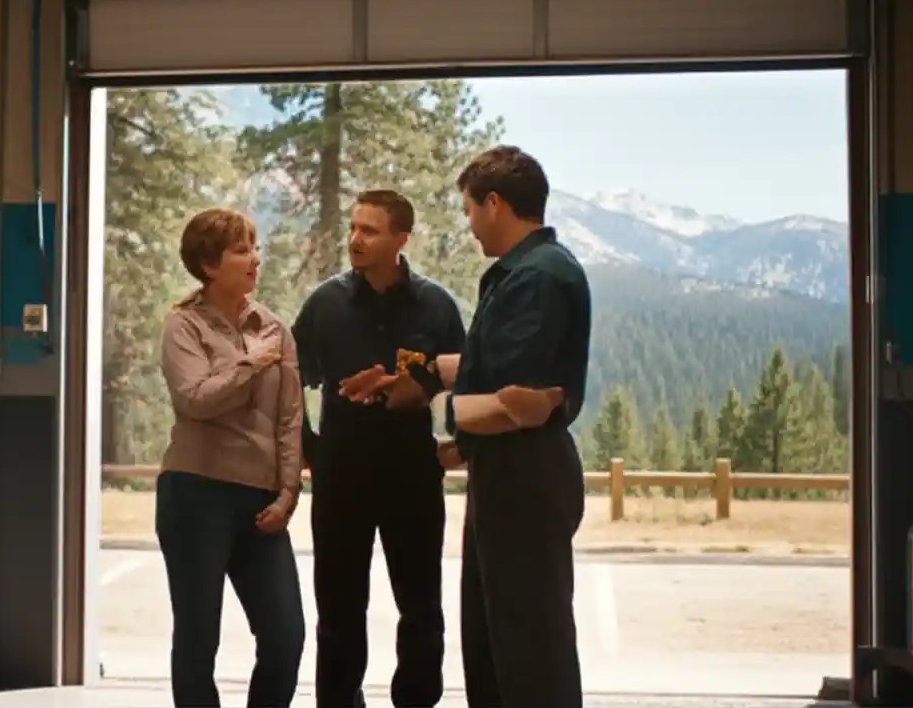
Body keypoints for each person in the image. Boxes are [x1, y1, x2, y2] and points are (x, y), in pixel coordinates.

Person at [342, 146, 591, 708]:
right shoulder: (523, 272)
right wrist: (419, 376)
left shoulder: (537, 279)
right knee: (493, 640)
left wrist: (454, 418)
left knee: (527, 649)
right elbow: (488, 368)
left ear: (496, 204)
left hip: (523, 479)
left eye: (471, 210)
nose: (470, 224)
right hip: (504, 475)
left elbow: (517, 400)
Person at [291, 189, 466, 708]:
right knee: (340, 611)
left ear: (401, 238)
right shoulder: (325, 304)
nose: (355, 240)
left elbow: (467, 376)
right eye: (353, 228)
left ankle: (416, 700)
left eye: (369, 230)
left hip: (413, 475)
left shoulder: (436, 305)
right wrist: (306, 448)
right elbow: (289, 381)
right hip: (340, 476)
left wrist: (458, 445)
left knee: (421, 608)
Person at [156, 207, 306, 708]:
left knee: (286, 636)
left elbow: (290, 418)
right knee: (200, 639)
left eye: (254, 247)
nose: (255, 259)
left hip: (262, 502)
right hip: (195, 493)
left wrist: (288, 492)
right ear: (208, 264)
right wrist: (251, 363)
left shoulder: (275, 330)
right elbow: (194, 399)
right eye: (242, 249)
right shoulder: (184, 326)